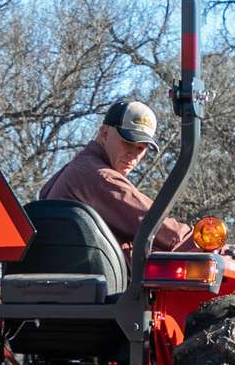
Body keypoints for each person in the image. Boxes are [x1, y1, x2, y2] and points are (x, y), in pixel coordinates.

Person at [40, 99, 198, 251]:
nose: (134, 155)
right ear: (104, 133)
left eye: (140, 148)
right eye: (128, 143)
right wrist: (203, 242)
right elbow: (157, 226)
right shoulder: (99, 176)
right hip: (94, 275)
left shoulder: (76, 169)